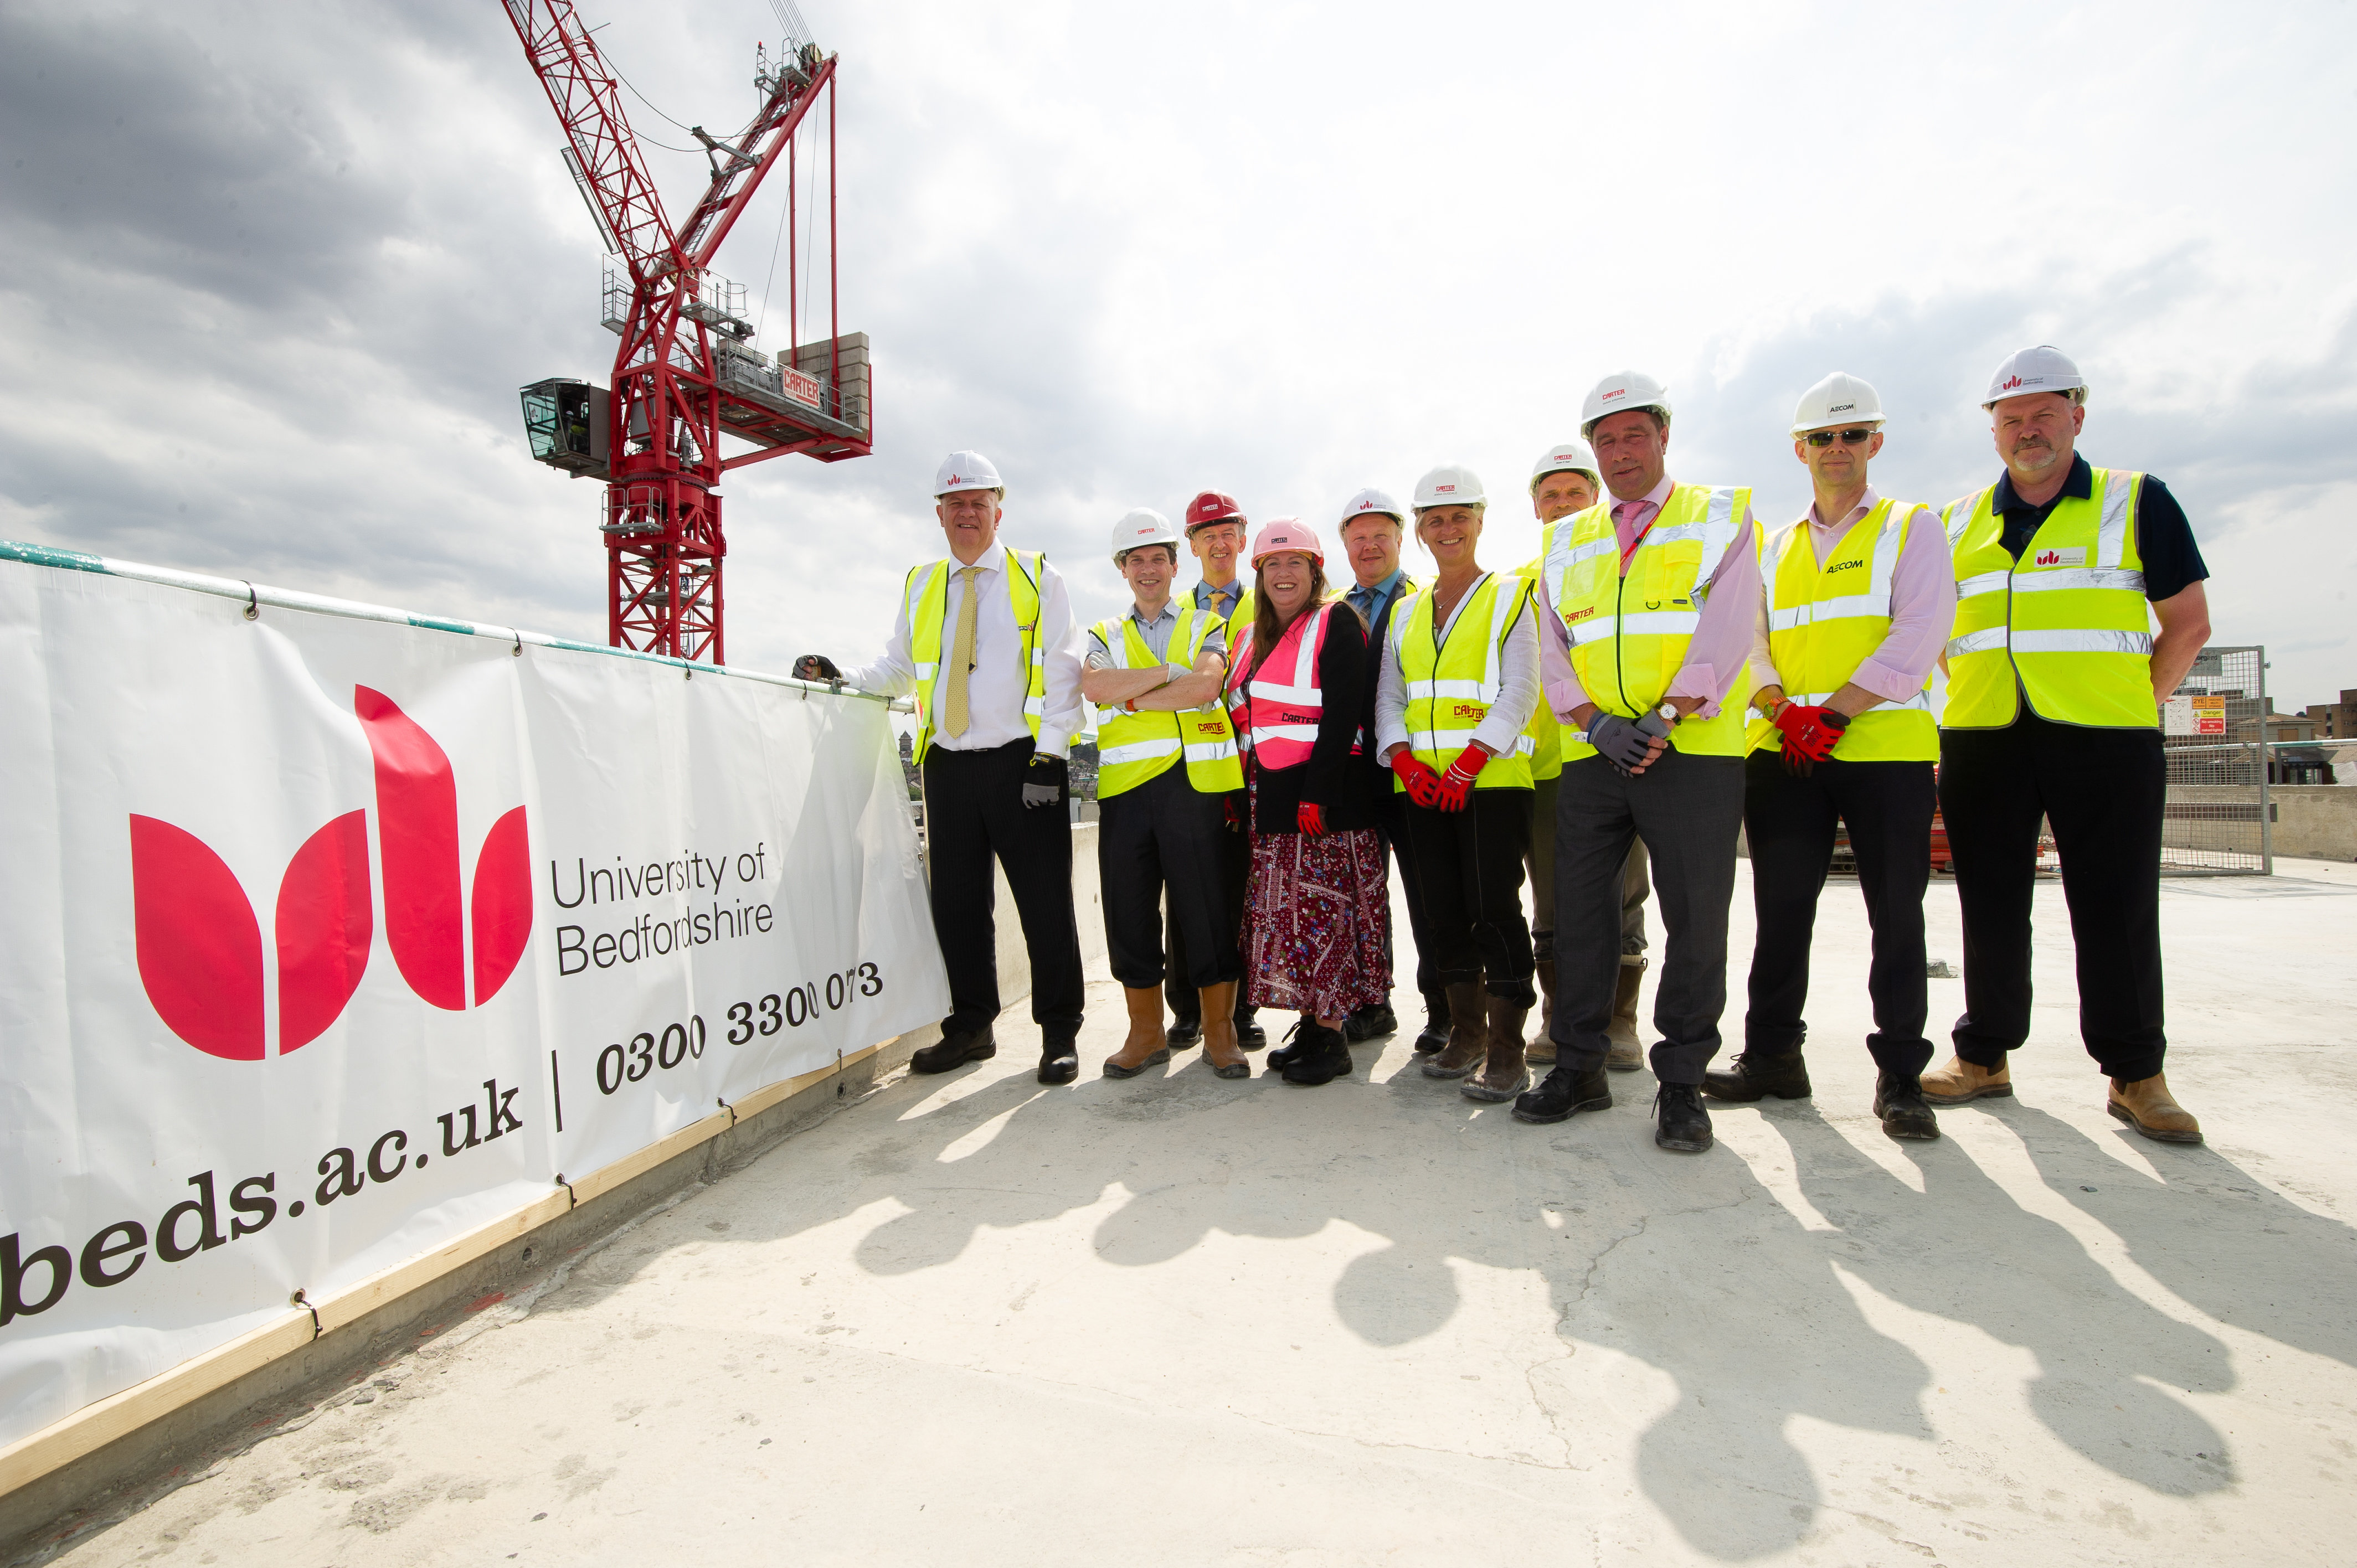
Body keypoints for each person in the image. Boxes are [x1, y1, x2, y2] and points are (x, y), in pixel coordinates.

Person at [1924, 345, 2211, 1143]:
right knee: (1988, 904)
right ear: (1993, 433)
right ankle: (1983, 1055)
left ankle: (2135, 1074)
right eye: (2011, 419)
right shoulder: (1955, 522)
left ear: (2077, 418)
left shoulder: (2135, 501)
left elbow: (2187, 625)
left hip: (2107, 741)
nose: (2028, 430)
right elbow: (1945, 633)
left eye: (2044, 414)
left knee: (2115, 908)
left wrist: (2132, 705)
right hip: (1985, 736)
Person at [1700, 373, 1956, 1141]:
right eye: (1822, 437)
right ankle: (1775, 1055)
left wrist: (1835, 712)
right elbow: (1747, 640)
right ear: (1799, 449)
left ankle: (1902, 1074)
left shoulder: (1914, 528)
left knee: (1896, 916)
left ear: (1876, 441)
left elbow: (1919, 635)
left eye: (1852, 435)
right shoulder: (1771, 546)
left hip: (1884, 751)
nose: (1836, 449)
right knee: (1780, 912)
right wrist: (1783, 709)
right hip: (1786, 753)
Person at [1516, 372, 1762, 1154]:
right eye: (1606, 439)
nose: (1621, 452)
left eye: (1634, 435)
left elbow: (1728, 632)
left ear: (1663, 436)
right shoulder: (1566, 537)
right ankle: (1579, 1068)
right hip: (1596, 754)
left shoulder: (1720, 516)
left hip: (1692, 750)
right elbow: (1554, 644)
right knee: (1582, 917)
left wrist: (1662, 717)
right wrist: (1591, 721)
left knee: (1694, 920)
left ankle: (1683, 1083)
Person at [794, 451, 1089, 1085]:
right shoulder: (924, 583)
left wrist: (1052, 755)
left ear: (997, 511)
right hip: (947, 763)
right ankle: (970, 1027)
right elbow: (899, 666)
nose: (966, 514)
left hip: (1023, 764)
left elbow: (1063, 673)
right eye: (954, 504)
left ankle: (1059, 1033)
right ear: (938, 514)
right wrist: (841, 677)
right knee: (955, 905)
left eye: (978, 503)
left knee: (1043, 903)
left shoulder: (1037, 576)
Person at [1375, 465, 1543, 1102]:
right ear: (1419, 531)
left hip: (1491, 782)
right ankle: (1465, 1035)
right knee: (1440, 914)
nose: (1447, 529)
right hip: (1419, 790)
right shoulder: (1406, 611)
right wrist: (1406, 761)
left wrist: (1469, 762)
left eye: (1458, 517)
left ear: (1479, 522)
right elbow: (1389, 696)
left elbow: (1519, 689)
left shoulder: (1510, 594)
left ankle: (1506, 1050)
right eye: (1434, 519)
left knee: (1493, 911)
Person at [1080, 509, 1250, 1079]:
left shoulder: (1207, 623)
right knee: (1128, 912)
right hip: (1126, 793)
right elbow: (1094, 685)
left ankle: (1220, 1034)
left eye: (1157, 558)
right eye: (1136, 560)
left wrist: (1128, 695)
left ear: (1176, 566)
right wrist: (1166, 678)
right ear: (1123, 571)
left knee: (1205, 910)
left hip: (1194, 787)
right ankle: (1146, 1033)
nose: (1147, 569)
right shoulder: (1102, 633)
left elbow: (1206, 684)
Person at [1224, 519, 1390, 1085]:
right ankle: (1311, 1025)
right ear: (1260, 576)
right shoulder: (1250, 637)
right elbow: (1247, 721)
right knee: (1290, 919)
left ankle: (1334, 1035)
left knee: (1328, 917)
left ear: (1315, 571)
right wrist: (1237, 791)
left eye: (1295, 563)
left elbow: (1344, 710)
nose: (1283, 574)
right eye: (1272, 565)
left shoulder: (1335, 620)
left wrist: (1317, 793)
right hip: (1270, 798)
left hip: (1326, 803)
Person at [1521, 441, 1653, 1074]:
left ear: (1596, 498)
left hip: (1617, 756)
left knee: (1623, 895)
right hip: (1546, 766)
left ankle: (1620, 1022)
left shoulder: (1626, 567)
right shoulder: (1517, 583)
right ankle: (1558, 1015)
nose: (1562, 504)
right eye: (1550, 496)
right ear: (1535, 508)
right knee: (1552, 902)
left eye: (1575, 493)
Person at [1165, 489, 1261, 1053]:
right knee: (1183, 894)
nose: (1218, 543)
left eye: (1228, 532)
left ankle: (1239, 1009)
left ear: (1242, 539)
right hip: (1190, 772)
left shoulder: (1266, 602)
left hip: (1250, 771)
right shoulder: (1173, 611)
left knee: (1241, 894)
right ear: (1192, 545)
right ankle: (1186, 1009)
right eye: (1207, 535)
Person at [1335, 487, 1422, 1049]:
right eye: (1357, 538)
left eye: (1379, 536)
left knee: (1427, 889)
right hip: (1358, 775)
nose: (1369, 547)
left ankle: (1444, 1011)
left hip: (1413, 767)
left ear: (1399, 539)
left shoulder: (1423, 599)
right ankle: (1372, 1001)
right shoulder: (1335, 610)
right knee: (1364, 893)